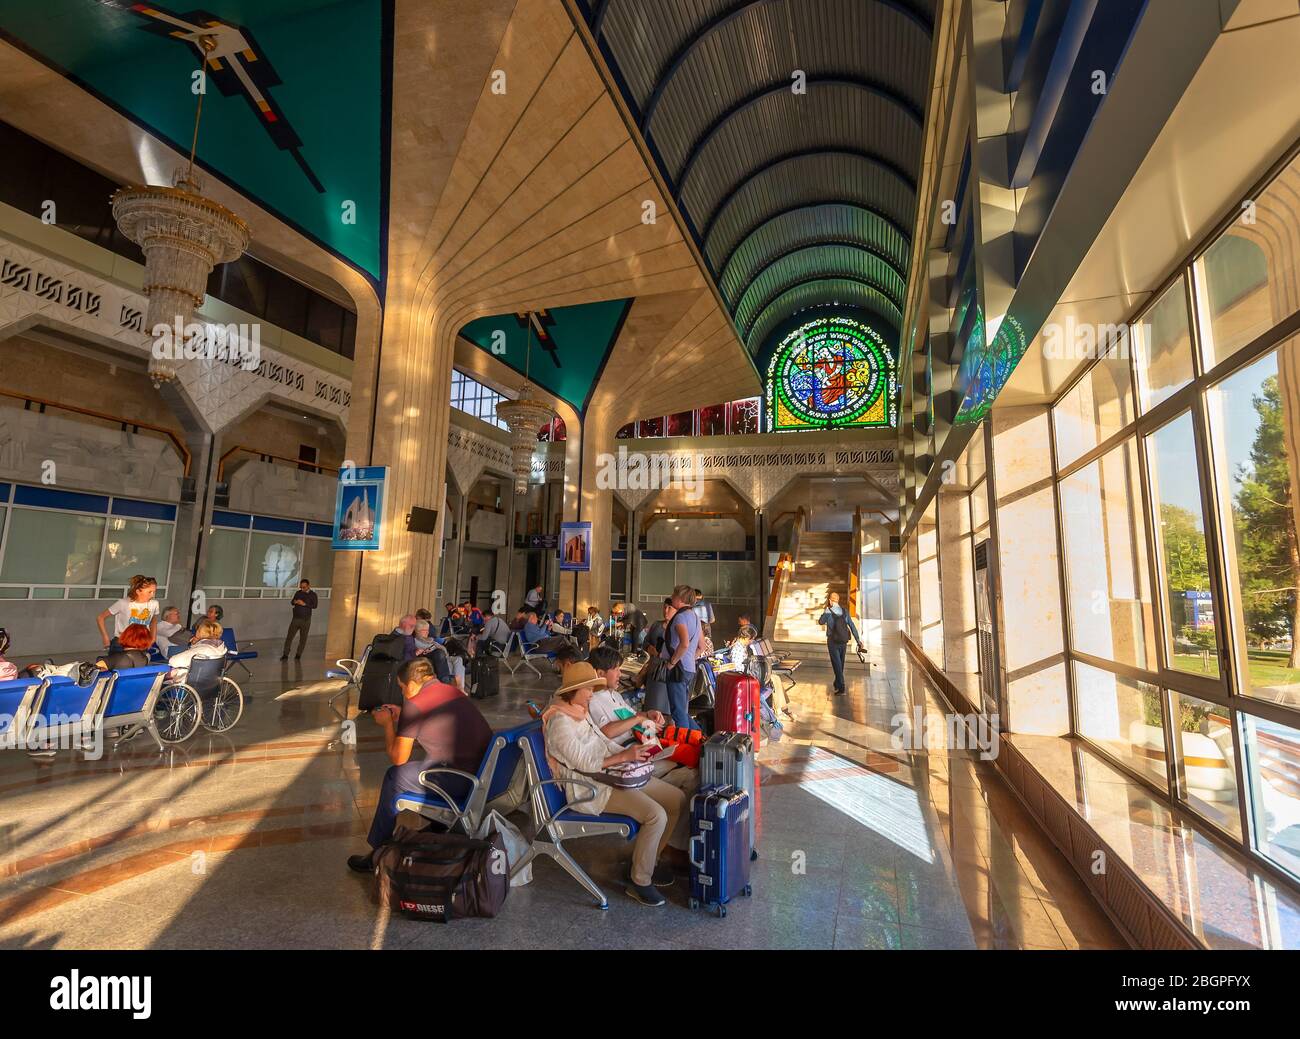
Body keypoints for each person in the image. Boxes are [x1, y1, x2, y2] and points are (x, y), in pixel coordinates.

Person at [541, 662, 689, 907]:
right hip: (590, 787)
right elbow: (585, 762)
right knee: (656, 815)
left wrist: (632, 753)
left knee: (677, 800)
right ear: (573, 691)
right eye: (588, 689)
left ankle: (645, 860)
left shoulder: (579, 711)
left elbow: (603, 743)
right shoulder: (560, 723)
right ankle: (640, 880)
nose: (591, 694)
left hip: (612, 773)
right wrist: (623, 757)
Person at [347, 657, 493, 872]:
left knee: (394, 777)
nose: (403, 693)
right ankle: (440, 825)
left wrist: (388, 725)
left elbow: (399, 757)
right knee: (417, 770)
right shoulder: (452, 692)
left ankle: (379, 851)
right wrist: (403, 715)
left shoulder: (415, 704)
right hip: (482, 776)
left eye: (402, 687)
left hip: (459, 781)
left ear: (413, 684)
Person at [586, 647, 698, 793]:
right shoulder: (594, 700)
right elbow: (607, 731)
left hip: (646, 744)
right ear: (600, 673)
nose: (620, 674)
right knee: (690, 772)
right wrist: (638, 718)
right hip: (630, 754)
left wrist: (648, 714)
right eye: (616, 669)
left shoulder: (615, 695)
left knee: (692, 756)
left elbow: (634, 716)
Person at [662, 586, 701, 730]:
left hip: (677, 669)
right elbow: (701, 646)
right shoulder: (695, 618)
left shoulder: (680, 617)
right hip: (689, 668)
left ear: (681, 599)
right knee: (682, 711)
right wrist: (689, 659)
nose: (672, 597)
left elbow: (684, 643)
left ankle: (685, 744)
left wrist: (673, 662)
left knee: (678, 713)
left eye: (674, 595)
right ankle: (698, 736)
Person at [96, 574, 158, 651]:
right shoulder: (123, 603)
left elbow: (153, 620)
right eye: (149, 592)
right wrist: (105, 638)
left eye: (154, 592)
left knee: (140, 662)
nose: (152, 595)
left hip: (141, 642)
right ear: (138, 591)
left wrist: (153, 638)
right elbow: (100, 617)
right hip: (121, 642)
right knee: (119, 662)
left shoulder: (154, 604)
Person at [818, 591, 862, 696]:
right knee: (840, 664)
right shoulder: (845, 611)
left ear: (830, 600)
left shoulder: (828, 611)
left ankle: (841, 688)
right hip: (843, 641)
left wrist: (826, 611)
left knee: (836, 664)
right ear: (838, 600)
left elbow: (820, 622)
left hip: (833, 642)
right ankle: (837, 683)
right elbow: (852, 626)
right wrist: (858, 640)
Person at [280, 579, 318, 661]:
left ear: (308, 586)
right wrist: (295, 601)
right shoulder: (298, 593)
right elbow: (292, 602)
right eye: (301, 587)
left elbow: (315, 606)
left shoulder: (313, 595)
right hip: (296, 619)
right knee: (289, 637)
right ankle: (285, 654)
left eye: (304, 587)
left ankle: (298, 655)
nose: (302, 589)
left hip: (306, 620)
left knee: (303, 639)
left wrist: (304, 604)